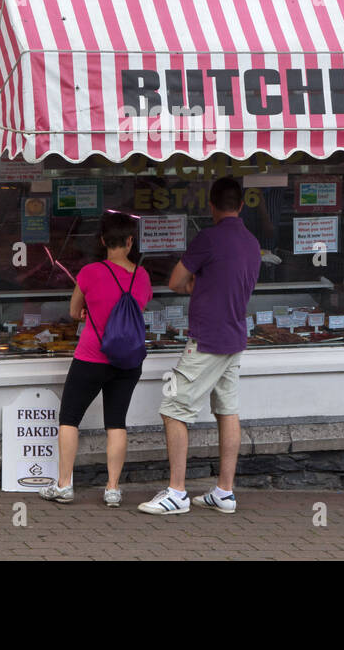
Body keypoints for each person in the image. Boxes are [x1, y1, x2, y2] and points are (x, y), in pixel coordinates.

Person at [139, 177, 260, 516]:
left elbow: (176, 280)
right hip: (236, 336)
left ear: (211, 205)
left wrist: (196, 285)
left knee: (173, 408)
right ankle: (224, 491)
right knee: (227, 411)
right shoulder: (252, 243)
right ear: (240, 204)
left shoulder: (208, 238)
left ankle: (177, 492)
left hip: (207, 339)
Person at [40, 211, 152, 507]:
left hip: (91, 356)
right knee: (116, 422)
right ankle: (113, 489)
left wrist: (92, 310)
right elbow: (138, 306)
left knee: (69, 419)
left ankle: (64, 485)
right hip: (128, 361)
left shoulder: (90, 272)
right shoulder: (142, 276)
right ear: (130, 241)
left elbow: (75, 311)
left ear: (103, 241)